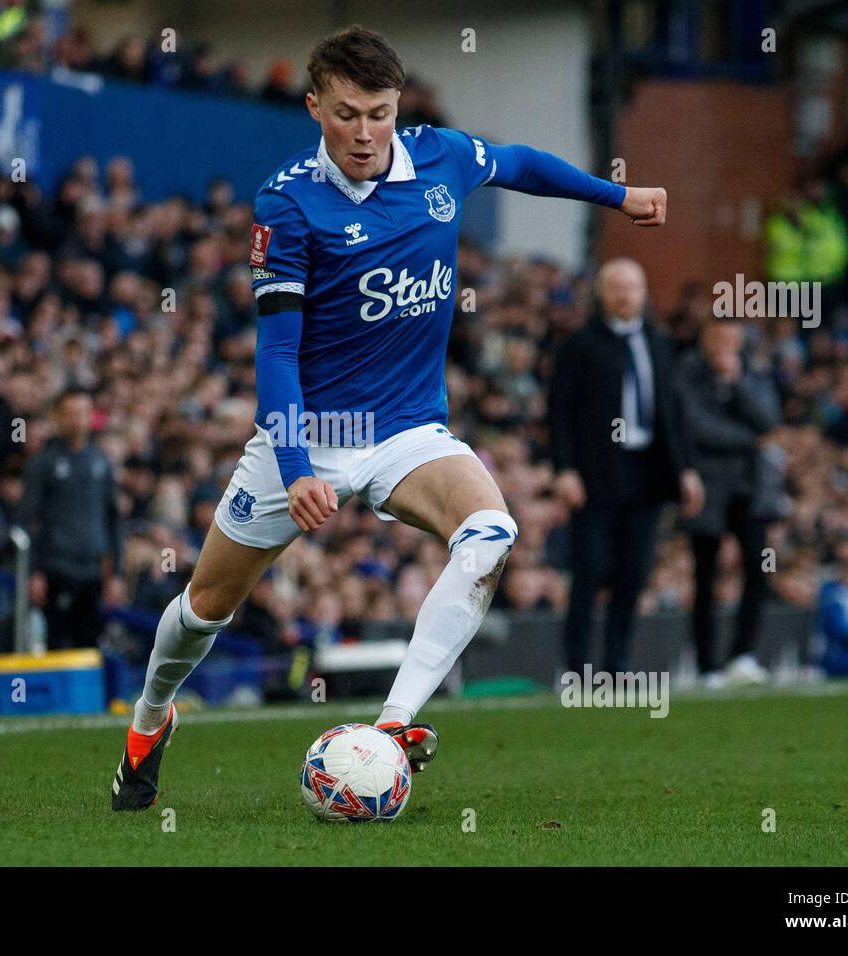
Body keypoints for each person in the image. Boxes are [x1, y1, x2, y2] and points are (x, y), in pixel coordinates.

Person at [111, 26, 670, 811]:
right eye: (346, 114)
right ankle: (149, 719)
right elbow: (276, 352)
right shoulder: (288, 201)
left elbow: (516, 164)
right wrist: (297, 464)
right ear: (314, 108)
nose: (365, 132)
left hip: (408, 431)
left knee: (491, 535)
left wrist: (617, 195)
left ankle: (393, 726)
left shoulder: (439, 157)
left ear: (398, 106)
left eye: (379, 112)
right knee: (205, 609)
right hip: (308, 437)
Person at [549, 259, 702, 675]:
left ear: (644, 292)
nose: (624, 295)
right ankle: (576, 666)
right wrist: (564, 469)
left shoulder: (657, 341)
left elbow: (671, 410)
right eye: (616, 287)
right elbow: (559, 410)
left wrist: (685, 469)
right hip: (595, 473)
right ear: (601, 293)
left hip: (647, 472)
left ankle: (618, 663)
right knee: (590, 569)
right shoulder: (580, 345)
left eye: (632, 287)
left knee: (633, 573)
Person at [676, 317, 783, 687]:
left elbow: (768, 420)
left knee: (758, 566)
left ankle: (744, 654)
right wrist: (749, 440)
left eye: (731, 339)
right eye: (718, 337)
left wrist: (737, 385)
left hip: (748, 487)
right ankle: (708, 665)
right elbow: (695, 427)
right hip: (706, 486)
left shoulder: (752, 373)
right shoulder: (688, 374)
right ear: (705, 338)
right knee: (705, 574)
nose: (724, 346)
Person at [22, 388, 123, 650]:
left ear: (91, 416)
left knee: (91, 648)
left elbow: (114, 519)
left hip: (93, 573)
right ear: (57, 417)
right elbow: (26, 519)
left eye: (82, 413)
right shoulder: (42, 463)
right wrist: (32, 572)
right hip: (55, 571)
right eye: (70, 414)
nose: (77, 420)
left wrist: (117, 573)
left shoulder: (101, 463)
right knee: (55, 645)